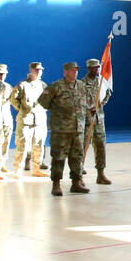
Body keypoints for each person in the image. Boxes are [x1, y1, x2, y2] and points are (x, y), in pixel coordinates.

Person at [38, 61, 89, 196]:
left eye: (76, 70)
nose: (75, 72)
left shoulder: (82, 86)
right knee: (58, 157)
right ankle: (56, 184)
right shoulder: (56, 87)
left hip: (78, 129)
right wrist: (59, 113)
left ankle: (76, 182)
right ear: (65, 72)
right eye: (72, 70)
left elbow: (85, 104)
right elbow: (43, 102)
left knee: (77, 157)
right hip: (61, 130)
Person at [10, 62, 48, 178]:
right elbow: (13, 99)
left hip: (40, 121)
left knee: (38, 145)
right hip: (26, 120)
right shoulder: (22, 85)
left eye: (40, 70)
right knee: (22, 145)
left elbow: (47, 99)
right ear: (31, 70)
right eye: (36, 70)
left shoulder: (42, 85)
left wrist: (43, 110)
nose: (39, 72)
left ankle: (36, 168)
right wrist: (22, 109)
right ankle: (18, 169)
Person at [81, 57, 112, 185]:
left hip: (99, 121)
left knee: (100, 146)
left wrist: (99, 105)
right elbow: (80, 100)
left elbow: (108, 94)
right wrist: (89, 108)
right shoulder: (82, 83)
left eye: (98, 67)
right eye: (94, 67)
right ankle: (78, 175)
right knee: (82, 146)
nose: (97, 69)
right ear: (89, 68)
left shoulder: (101, 82)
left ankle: (101, 174)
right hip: (87, 121)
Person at [0, 62, 14, 176]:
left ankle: (2, 164)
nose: (2, 76)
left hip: (6, 118)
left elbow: (13, 101)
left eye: (4, 74)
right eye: (0, 74)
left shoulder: (8, 86)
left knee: (6, 142)